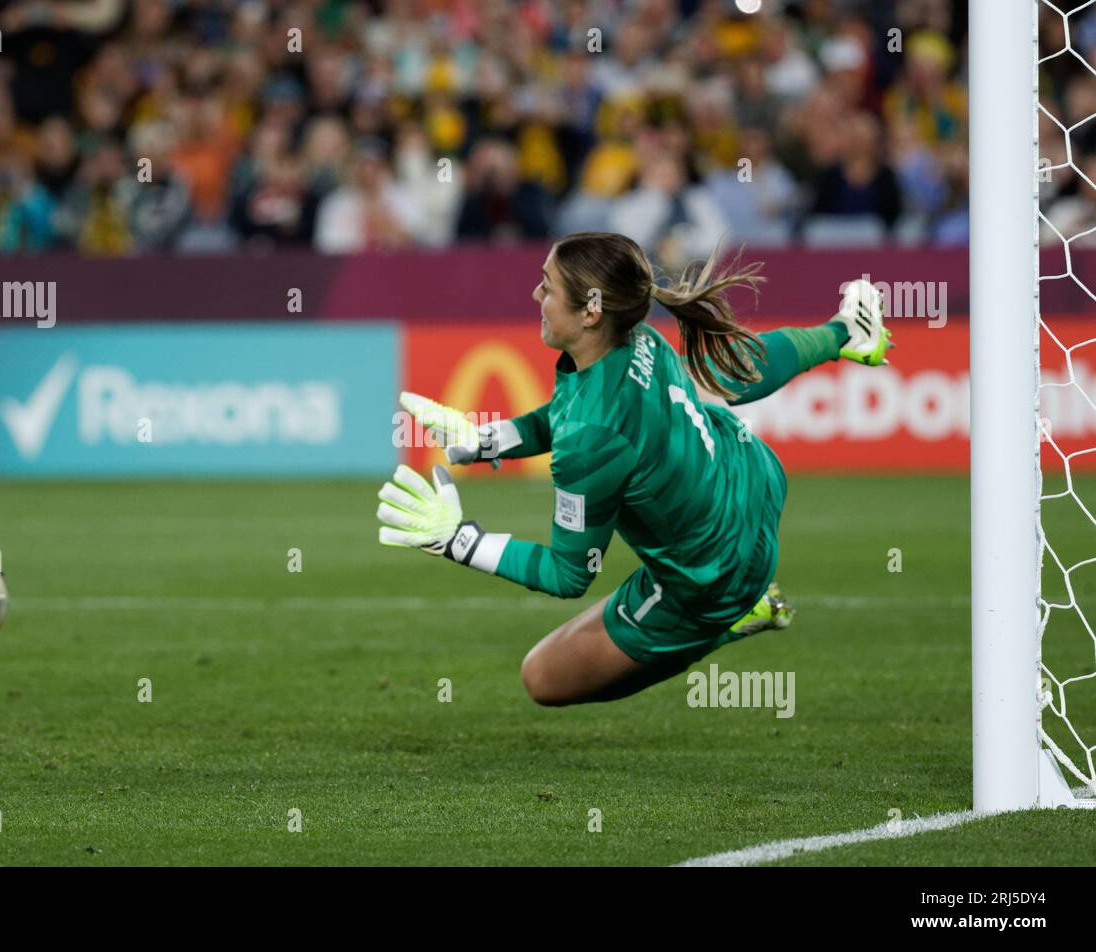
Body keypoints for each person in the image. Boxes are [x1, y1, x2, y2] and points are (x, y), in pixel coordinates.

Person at [376, 232, 892, 706]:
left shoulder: (589, 440)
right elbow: (743, 371)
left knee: (543, 679)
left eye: (547, 286)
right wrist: (484, 441)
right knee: (710, 384)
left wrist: (457, 541)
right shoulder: (638, 338)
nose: (537, 295)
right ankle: (850, 333)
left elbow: (569, 574)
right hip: (754, 480)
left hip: (714, 576)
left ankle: (732, 616)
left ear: (590, 312)